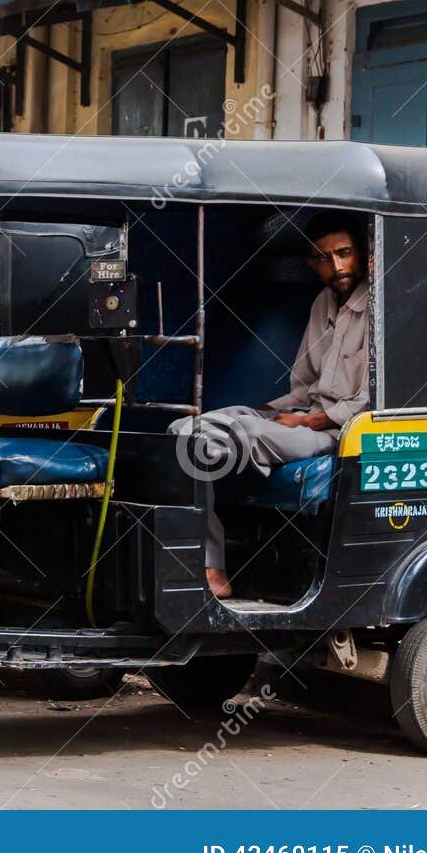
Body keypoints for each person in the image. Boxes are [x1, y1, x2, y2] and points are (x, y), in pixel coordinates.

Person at [169, 210, 370, 599]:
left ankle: (212, 567)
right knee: (184, 429)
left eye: (344, 253)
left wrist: (305, 421)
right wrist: (264, 411)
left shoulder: (382, 308)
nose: (337, 266)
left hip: (335, 434)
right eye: (324, 258)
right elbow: (303, 385)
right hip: (302, 418)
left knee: (209, 441)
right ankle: (198, 560)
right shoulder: (322, 304)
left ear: (361, 252)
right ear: (312, 263)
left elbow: (369, 402)